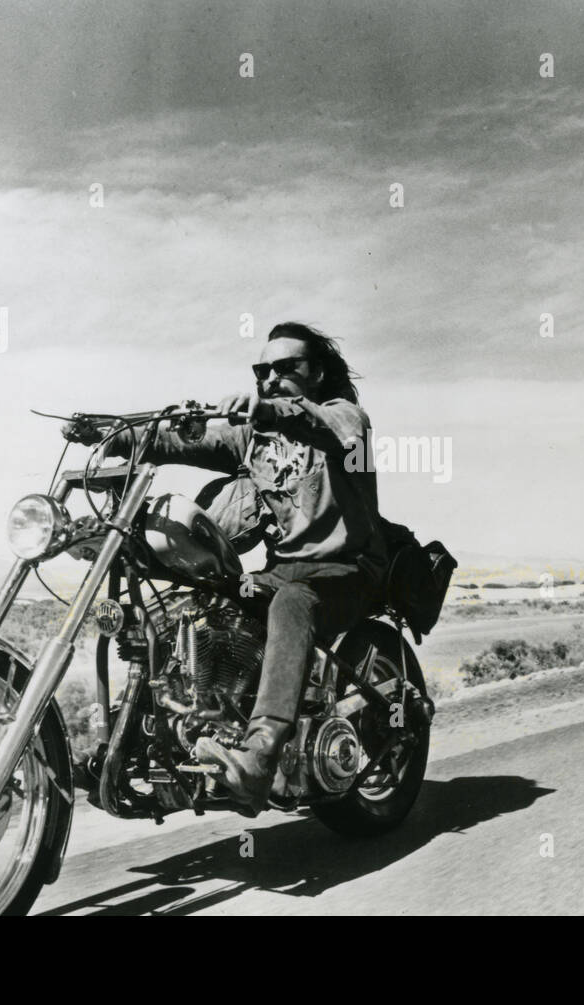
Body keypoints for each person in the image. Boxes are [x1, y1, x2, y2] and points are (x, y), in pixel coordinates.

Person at [66, 323, 386, 813]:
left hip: (346, 571)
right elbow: (179, 443)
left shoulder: (345, 417)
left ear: (316, 372)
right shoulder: (252, 439)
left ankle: (259, 758)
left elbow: (325, 427)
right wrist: (119, 435)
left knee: (294, 602)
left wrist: (269, 410)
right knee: (192, 606)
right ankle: (138, 735)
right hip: (283, 572)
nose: (272, 378)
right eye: (263, 371)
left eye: (286, 368)